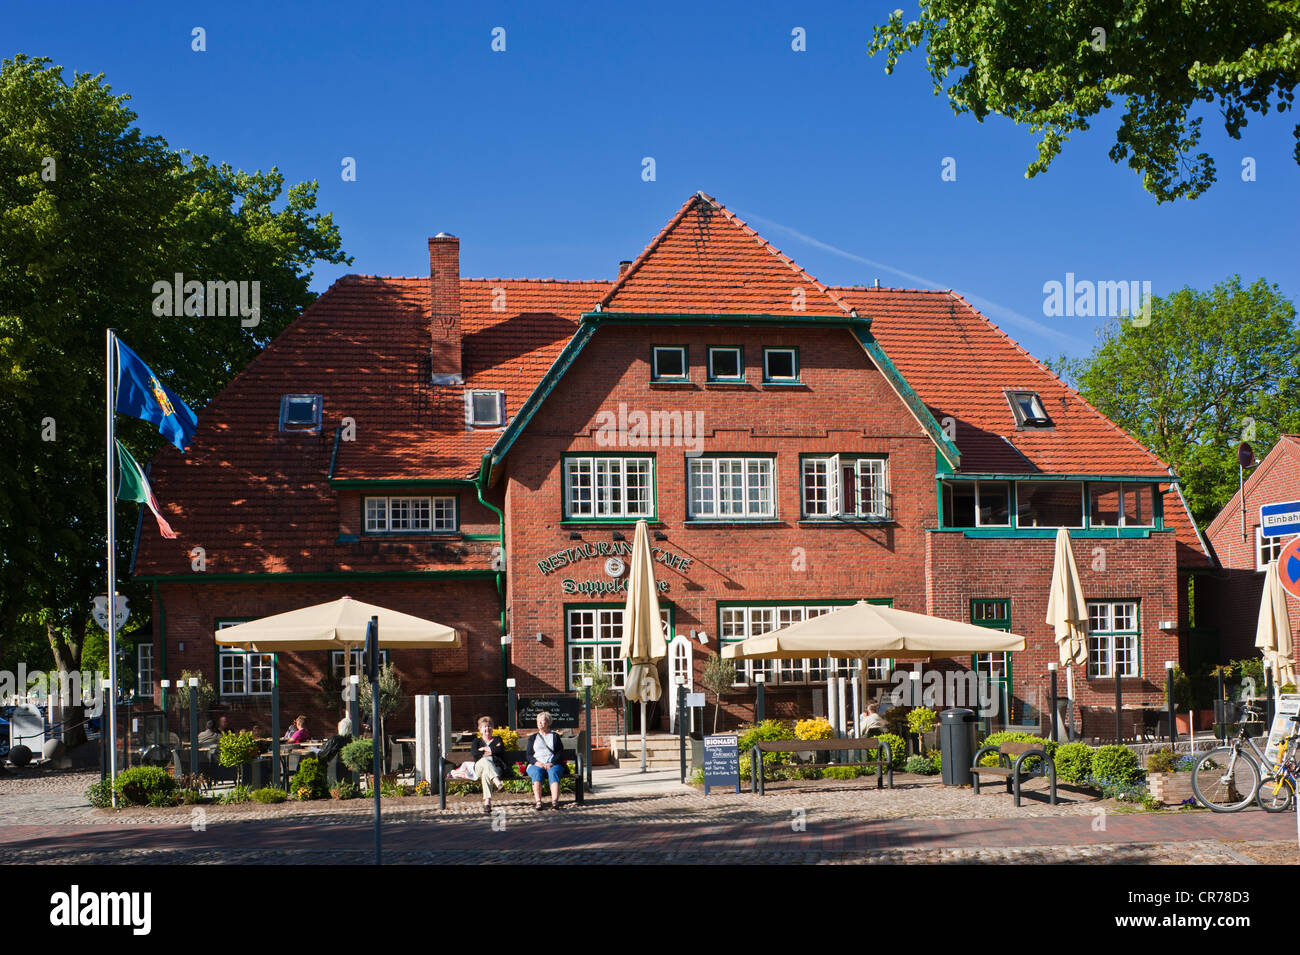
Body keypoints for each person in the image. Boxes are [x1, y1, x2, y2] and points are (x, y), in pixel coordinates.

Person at [525, 711, 567, 810]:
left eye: (542, 721)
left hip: (553, 763)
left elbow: (559, 753)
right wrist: (537, 763)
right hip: (537, 764)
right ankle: (538, 802)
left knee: (554, 772)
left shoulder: (555, 736)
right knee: (536, 772)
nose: (539, 723)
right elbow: (529, 755)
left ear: (548, 723)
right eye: (538, 721)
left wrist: (551, 763)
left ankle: (555, 801)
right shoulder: (533, 737)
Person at [469, 716, 507, 812]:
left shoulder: (498, 739)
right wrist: (492, 750)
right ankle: (497, 782)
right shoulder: (476, 741)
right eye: (484, 726)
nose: (487, 728)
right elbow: (475, 754)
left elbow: (501, 750)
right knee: (485, 761)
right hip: (478, 768)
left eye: (489, 726)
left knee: (486, 773)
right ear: (480, 729)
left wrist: (485, 749)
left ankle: (487, 802)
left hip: (495, 768)